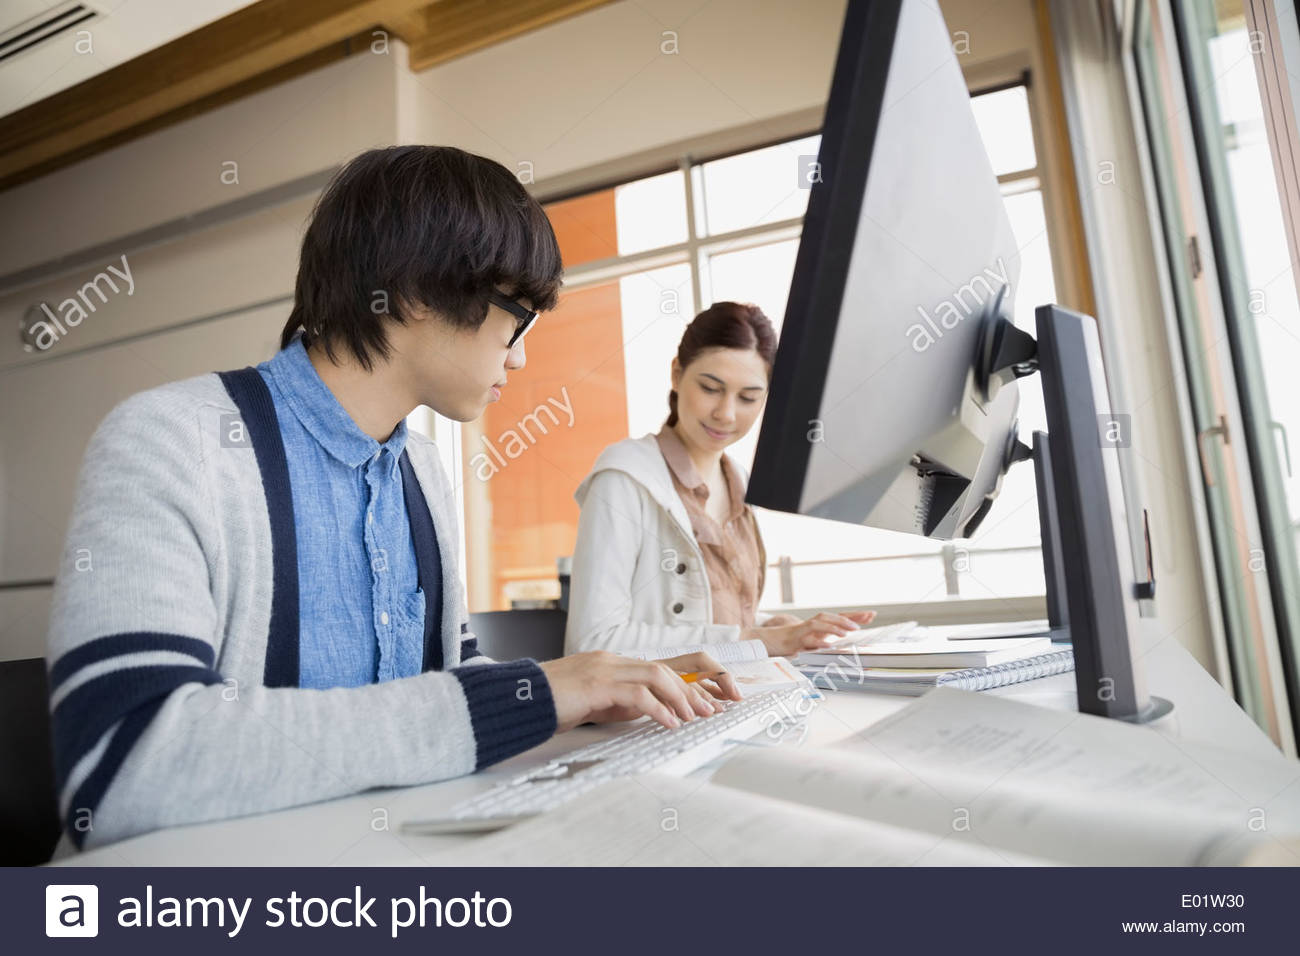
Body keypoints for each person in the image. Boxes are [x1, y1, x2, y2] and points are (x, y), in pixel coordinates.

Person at [45, 145, 737, 854]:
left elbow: (448, 675)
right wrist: (534, 697)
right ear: (413, 292)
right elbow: (125, 763)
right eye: (517, 316)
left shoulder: (422, 468)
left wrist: (597, 690)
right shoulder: (172, 438)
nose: (522, 355)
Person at [564, 301, 875, 657]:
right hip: (659, 710)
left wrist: (770, 626)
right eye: (711, 388)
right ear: (677, 374)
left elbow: (708, 617)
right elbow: (591, 643)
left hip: (735, 696)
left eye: (747, 397)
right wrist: (754, 641)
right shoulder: (623, 480)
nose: (726, 413)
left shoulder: (740, 483)